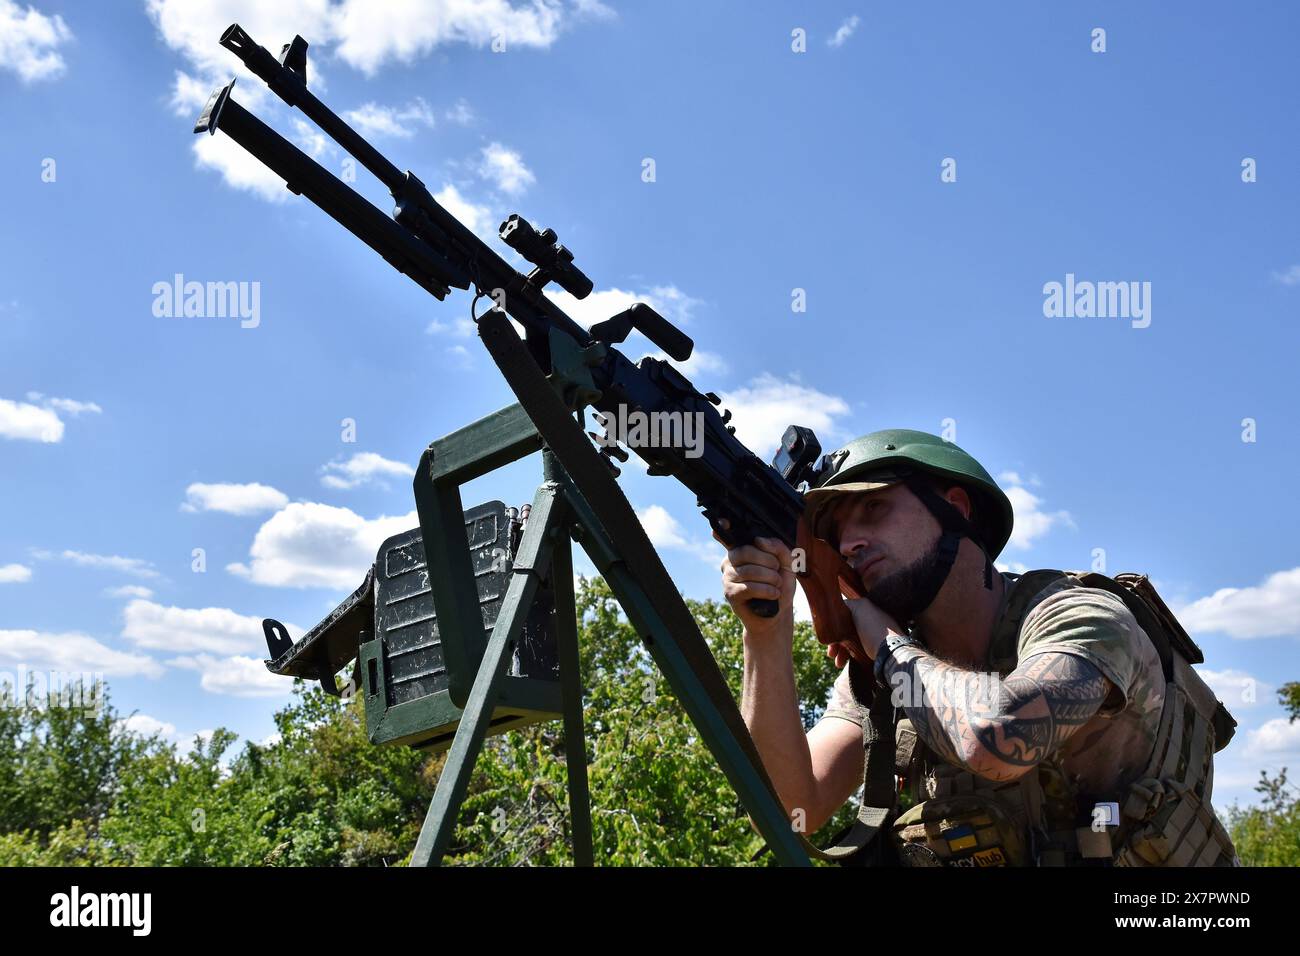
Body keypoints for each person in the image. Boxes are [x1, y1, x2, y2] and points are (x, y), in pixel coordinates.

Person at [720, 429, 1237, 866]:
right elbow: (793, 810)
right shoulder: (882, 668)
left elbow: (995, 738)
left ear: (956, 508)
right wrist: (766, 632)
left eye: (873, 508)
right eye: (837, 532)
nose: (851, 542)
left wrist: (885, 643)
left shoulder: (1079, 614)